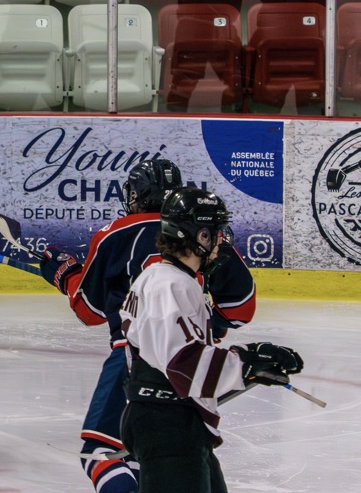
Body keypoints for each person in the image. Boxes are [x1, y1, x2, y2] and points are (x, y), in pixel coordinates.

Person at [36, 160, 256, 493]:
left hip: (136, 361)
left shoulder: (115, 234)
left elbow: (89, 311)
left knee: (101, 453)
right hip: (192, 367)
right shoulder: (205, 237)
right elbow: (241, 309)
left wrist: (64, 274)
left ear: (137, 195)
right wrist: (208, 322)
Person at [118, 187, 304, 493]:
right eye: (216, 234)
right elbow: (185, 364)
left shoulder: (162, 278)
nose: (221, 242)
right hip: (167, 428)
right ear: (200, 237)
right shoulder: (170, 286)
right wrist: (246, 363)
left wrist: (248, 360)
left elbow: (179, 357)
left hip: (173, 421)